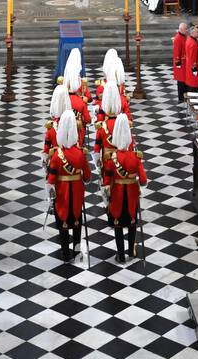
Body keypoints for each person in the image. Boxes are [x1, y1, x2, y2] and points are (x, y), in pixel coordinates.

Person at [46, 108, 91, 264]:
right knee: (77, 222)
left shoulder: (57, 156)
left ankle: (66, 254)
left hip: (62, 193)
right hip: (77, 192)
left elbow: (51, 179)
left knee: (63, 225)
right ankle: (77, 252)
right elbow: (87, 177)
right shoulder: (80, 153)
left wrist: (50, 196)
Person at [102, 113, 147, 264]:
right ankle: (131, 251)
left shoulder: (111, 159)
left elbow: (106, 181)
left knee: (118, 224)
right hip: (133, 193)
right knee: (132, 222)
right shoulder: (136, 157)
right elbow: (143, 180)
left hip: (117, 194)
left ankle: (120, 255)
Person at [94, 81, 130, 169]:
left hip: (107, 159)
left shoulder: (102, 127)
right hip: (122, 159)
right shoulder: (123, 102)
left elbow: (97, 146)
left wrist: (97, 159)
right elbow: (130, 143)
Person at [44, 83, 74, 158]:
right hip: (70, 158)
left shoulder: (51, 129)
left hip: (55, 159)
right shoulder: (72, 125)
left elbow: (46, 149)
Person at [184, 24, 198, 92]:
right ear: (192, 33)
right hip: (193, 67)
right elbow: (192, 57)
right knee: (193, 84)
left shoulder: (190, 39)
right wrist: (194, 69)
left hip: (189, 66)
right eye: (197, 32)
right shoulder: (193, 44)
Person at [173, 22, 189, 101]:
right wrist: (178, 62)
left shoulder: (184, 36)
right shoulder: (178, 38)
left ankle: (185, 95)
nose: (187, 31)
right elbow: (176, 52)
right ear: (182, 29)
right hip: (180, 64)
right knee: (181, 81)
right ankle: (181, 97)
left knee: (184, 80)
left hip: (184, 62)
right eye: (186, 29)